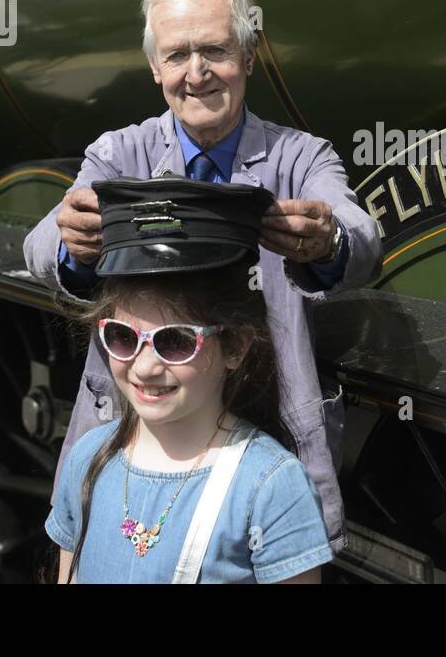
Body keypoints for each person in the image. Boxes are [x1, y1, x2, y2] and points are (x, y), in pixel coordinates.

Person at [24, 0, 382, 556]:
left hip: (268, 437)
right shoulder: (119, 152)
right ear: (154, 68)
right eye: (177, 55)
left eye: (214, 50)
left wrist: (328, 241)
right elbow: (42, 246)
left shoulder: (299, 156)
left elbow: (360, 237)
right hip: (134, 435)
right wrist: (74, 245)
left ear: (247, 55)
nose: (197, 73)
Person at [46, 177, 332, 583]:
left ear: (235, 346)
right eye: (123, 338)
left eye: (176, 342)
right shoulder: (88, 457)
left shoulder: (272, 486)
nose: (145, 367)